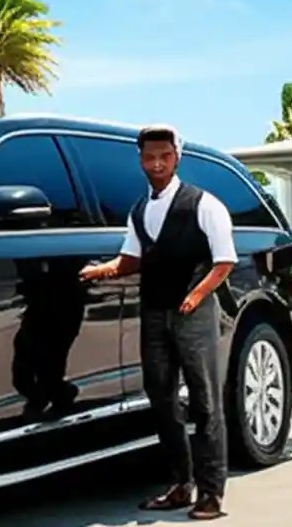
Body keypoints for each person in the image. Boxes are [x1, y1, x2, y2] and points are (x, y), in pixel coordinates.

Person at [78, 124, 236, 521]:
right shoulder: (140, 209)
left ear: (177, 156)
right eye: (149, 157)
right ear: (141, 159)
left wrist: (197, 295)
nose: (157, 164)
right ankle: (181, 484)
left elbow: (225, 261)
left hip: (193, 314)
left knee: (204, 403)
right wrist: (101, 271)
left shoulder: (204, 204)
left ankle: (211, 492)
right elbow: (132, 258)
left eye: (164, 156)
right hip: (154, 314)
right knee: (162, 399)